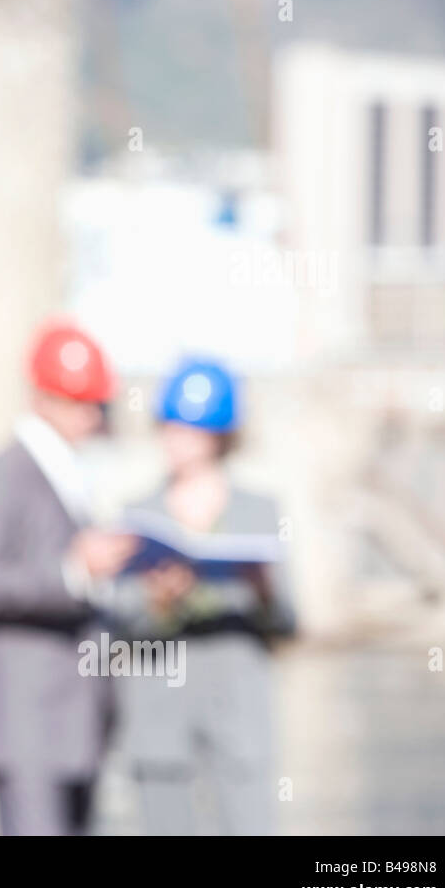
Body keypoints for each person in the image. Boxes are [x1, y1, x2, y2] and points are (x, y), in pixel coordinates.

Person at [0, 321, 137, 835]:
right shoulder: (0, 475)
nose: (91, 415)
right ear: (43, 397)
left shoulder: (74, 475)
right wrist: (75, 573)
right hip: (28, 720)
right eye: (78, 401)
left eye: (94, 403)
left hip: (76, 718)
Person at [110, 357, 295, 835]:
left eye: (190, 430)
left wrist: (263, 591)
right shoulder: (137, 513)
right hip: (160, 717)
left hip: (239, 711)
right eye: (169, 427)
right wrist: (158, 600)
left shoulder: (260, 512)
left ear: (220, 437)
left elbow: (290, 621)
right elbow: (118, 622)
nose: (175, 440)